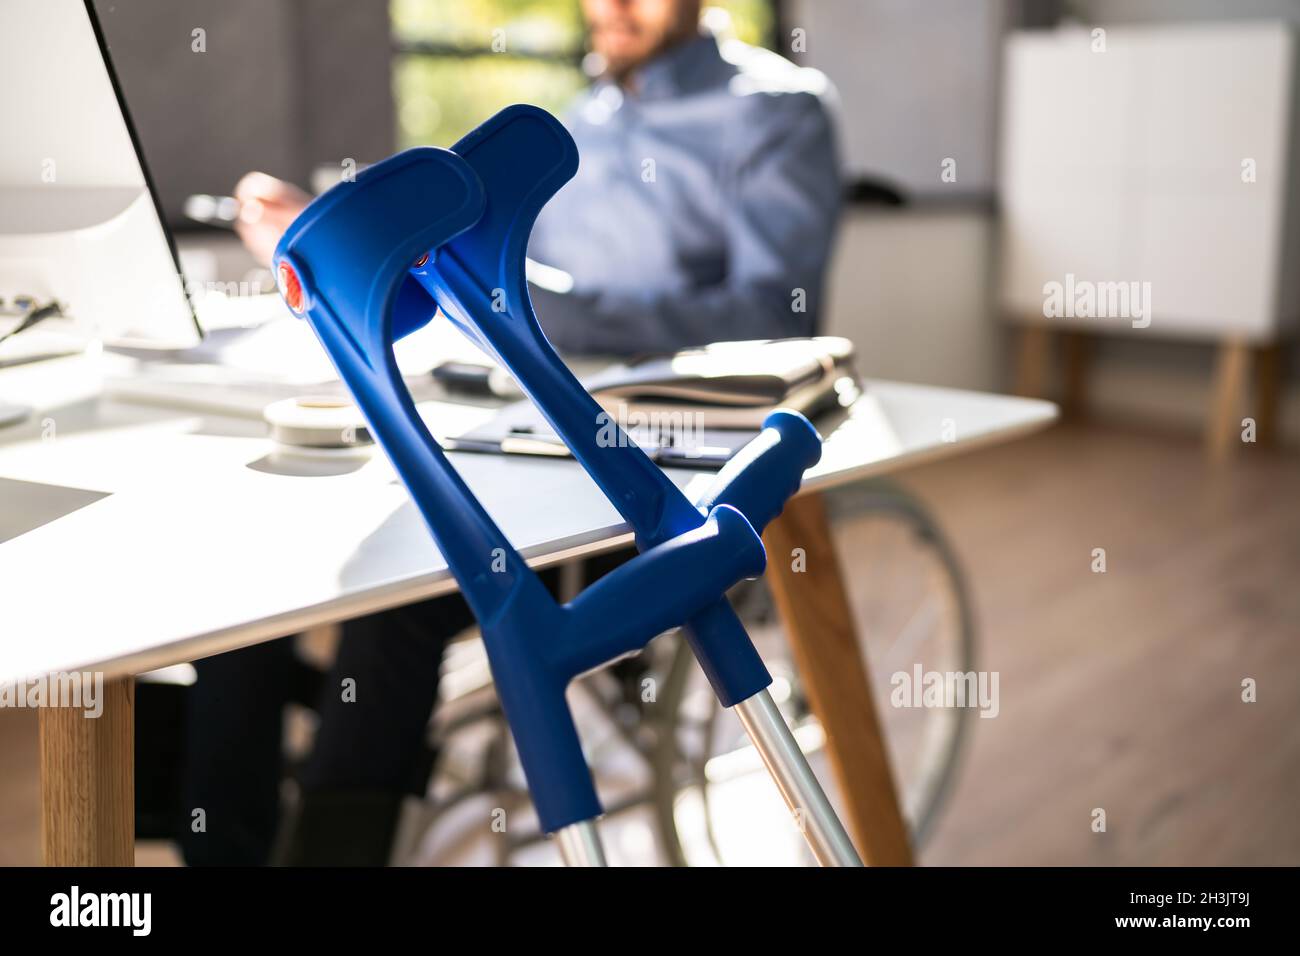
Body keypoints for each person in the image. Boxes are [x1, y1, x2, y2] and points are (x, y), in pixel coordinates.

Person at [176, 0, 842, 865]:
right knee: (269, 558)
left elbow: (767, 312)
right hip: (517, 425)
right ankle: (220, 851)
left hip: (653, 454)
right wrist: (358, 252)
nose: (611, 6)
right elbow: (495, 278)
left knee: (403, 595)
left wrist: (519, 304)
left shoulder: (777, 108)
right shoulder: (587, 118)